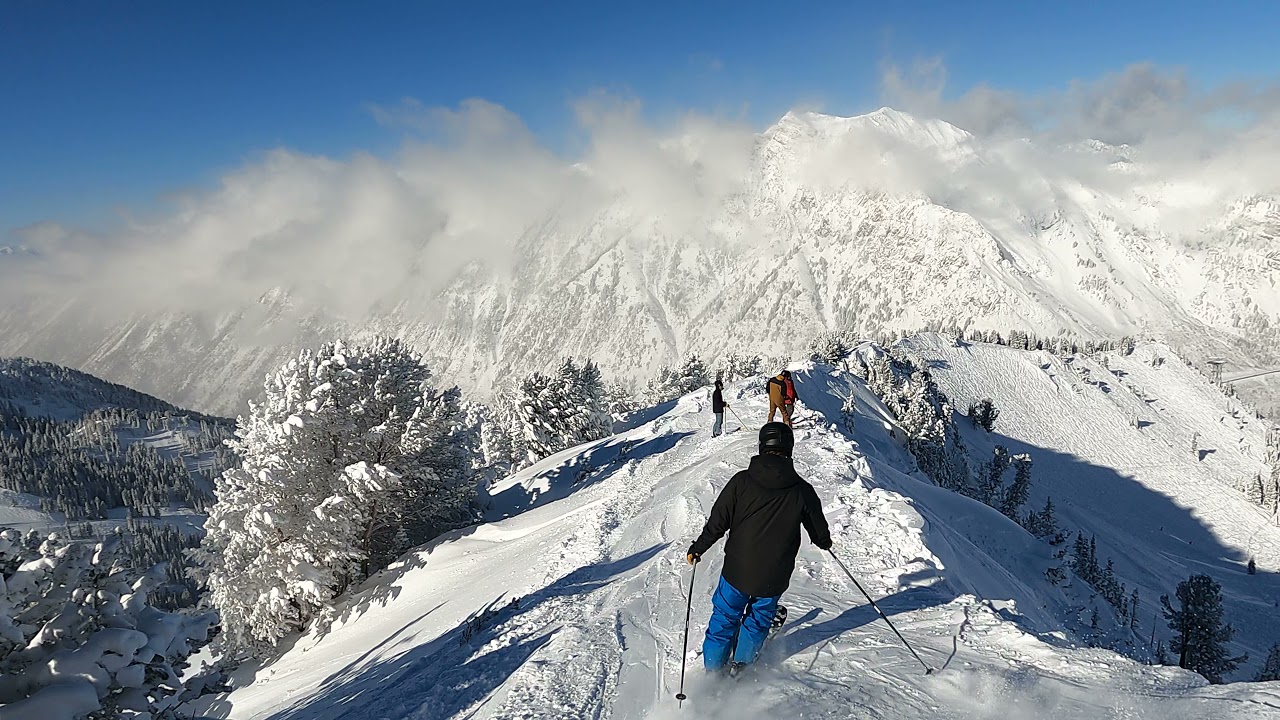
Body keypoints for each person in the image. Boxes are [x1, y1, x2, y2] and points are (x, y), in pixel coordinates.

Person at [686, 422, 832, 672]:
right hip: (774, 575)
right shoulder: (802, 491)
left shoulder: (741, 482)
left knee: (724, 618)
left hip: (737, 570)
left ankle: (712, 674)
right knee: (757, 621)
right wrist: (824, 542)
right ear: (789, 449)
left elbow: (718, 522)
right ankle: (740, 668)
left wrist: (698, 548)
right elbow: (820, 534)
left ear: (762, 446)